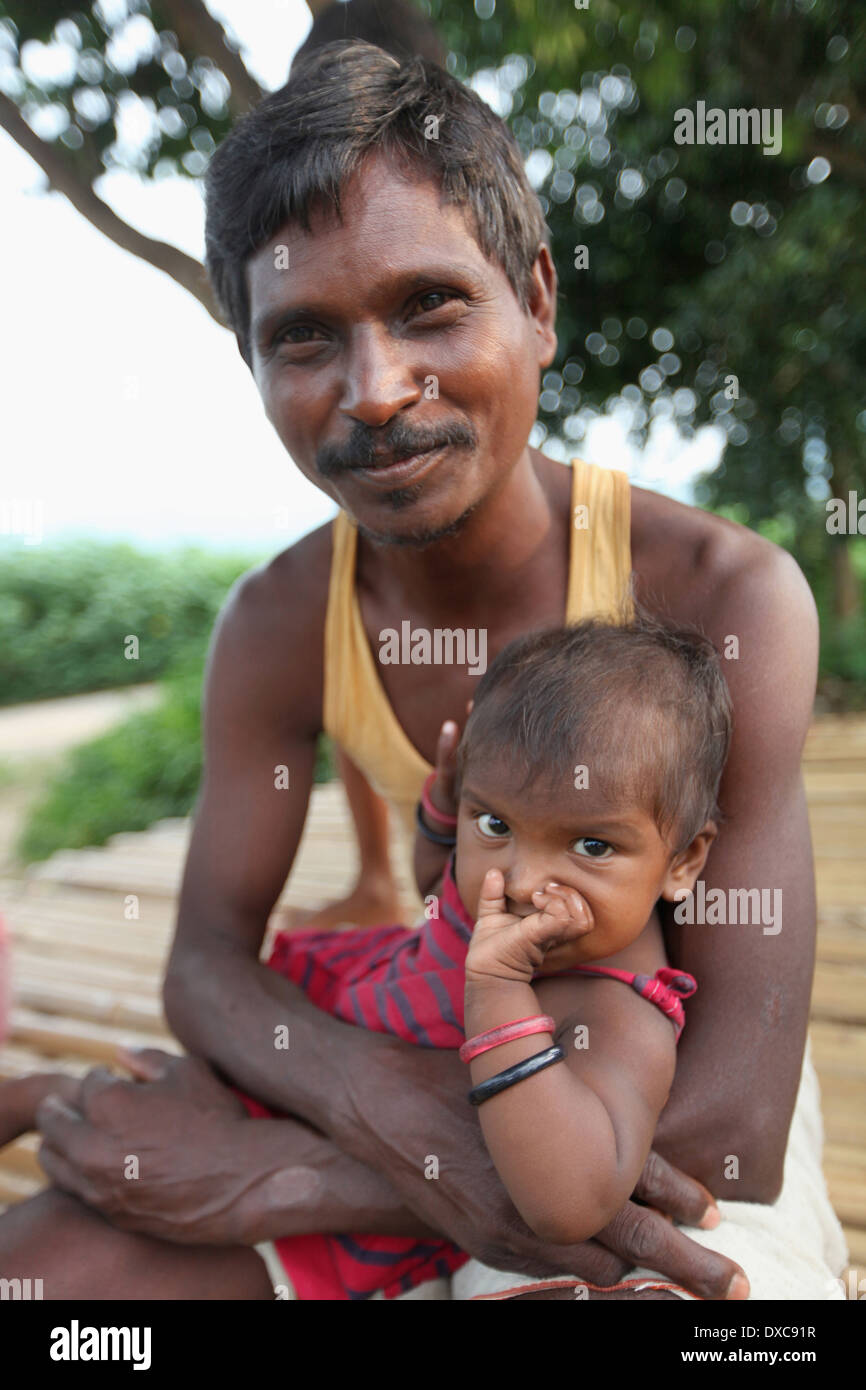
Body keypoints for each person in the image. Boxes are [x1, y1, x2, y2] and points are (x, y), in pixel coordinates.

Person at [0, 40, 845, 1301]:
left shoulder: (720, 596)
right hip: (420, 1038)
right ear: (251, 368)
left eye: (429, 306)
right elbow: (204, 966)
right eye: (301, 338)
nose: (377, 389)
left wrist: (283, 1175)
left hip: (632, 1112)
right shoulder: (280, 619)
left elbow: (727, 1133)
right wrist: (374, 1099)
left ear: (539, 303)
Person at [238, 615, 733, 1299]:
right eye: (496, 823)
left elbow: (567, 1203)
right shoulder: (503, 875)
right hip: (333, 1024)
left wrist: (499, 988)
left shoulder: (615, 1013)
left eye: (591, 846)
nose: (523, 880)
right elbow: (432, 887)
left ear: (684, 862)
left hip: (366, 1162)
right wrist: (444, 815)